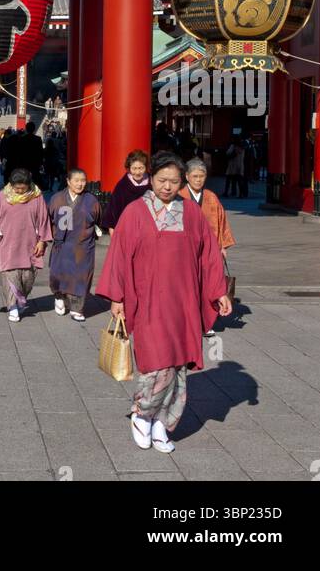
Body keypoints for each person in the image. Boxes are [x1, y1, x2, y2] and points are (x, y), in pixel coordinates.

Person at [96, 152, 232, 455]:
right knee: (155, 363)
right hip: (147, 300)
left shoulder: (191, 213)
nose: (168, 187)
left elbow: (208, 254)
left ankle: (163, 423)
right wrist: (117, 297)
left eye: (174, 181)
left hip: (183, 301)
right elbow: (119, 257)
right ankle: (142, 415)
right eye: (161, 180)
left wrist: (218, 291)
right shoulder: (134, 212)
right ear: (151, 178)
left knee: (178, 364)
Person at [0, 168, 53, 322]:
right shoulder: (2, 196)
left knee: (28, 277)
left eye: (23, 188)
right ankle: (12, 306)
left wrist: (42, 241)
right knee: (10, 276)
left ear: (29, 185)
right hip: (9, 243)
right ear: (11, 185)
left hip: (30, 243)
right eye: (17, 188)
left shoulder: (37, 197)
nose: (19, 191)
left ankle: (21, 298)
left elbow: (44, 220)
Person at [180, 157, 236, 337]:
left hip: (210, 249)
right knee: (188, 286)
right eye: (194, 176)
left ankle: (206, 322)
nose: (198, 180)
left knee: (209, 285)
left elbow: (221, 222)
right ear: (186, 176)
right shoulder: (180, 196)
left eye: (202, 176)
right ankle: (188, 321)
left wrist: (222, 246)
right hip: (186, 250)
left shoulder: (211, 197)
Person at [48, 168, 102, 321]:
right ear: (68, 181)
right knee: (59, 273)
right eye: (76, 180)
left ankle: (77, 308)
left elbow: (98, 218)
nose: (80, 184)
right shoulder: (57, 198)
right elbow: (49, 219)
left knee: (82, 276)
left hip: (83, 245)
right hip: (62, 244)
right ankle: (59, 296)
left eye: (83, 180)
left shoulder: (91, 200)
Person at [101, 150, 150, 234]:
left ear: (146, 167)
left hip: (148, 229)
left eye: (141, 168)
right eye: (134, 168)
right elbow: (113, 211)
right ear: (129, 168)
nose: (137, 172)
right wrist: (113, 234)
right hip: (127, 230)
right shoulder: (122, 186)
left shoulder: (152, 183)